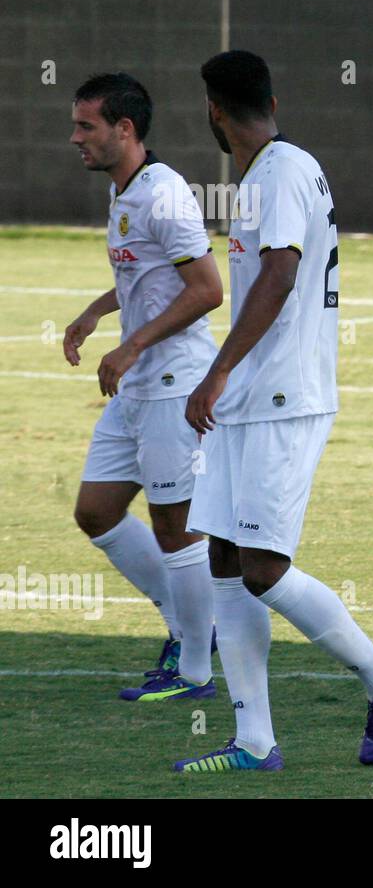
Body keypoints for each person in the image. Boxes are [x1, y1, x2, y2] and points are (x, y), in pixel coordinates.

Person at [176, 50, 373, 772]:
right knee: (222, 554)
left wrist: (217, 369)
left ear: (215, 110)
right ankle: (255, 740)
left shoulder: (279, 171)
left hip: (281, 394)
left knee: (261, 565)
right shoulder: (267, 172)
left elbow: (280, 275)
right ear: (271, 98)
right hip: (250, 399)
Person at [65, 73, 222, 703]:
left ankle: (193, 667)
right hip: (136, 390)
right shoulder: (124, 190)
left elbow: (208, 290)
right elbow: (146, 274)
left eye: (86, 126)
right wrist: (100, 310)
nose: (74, 137)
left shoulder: (165, 195)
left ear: (123, 130)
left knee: (175, 528)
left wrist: (130, 345)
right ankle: (190, 625)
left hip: (172, 385)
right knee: (96, 511)